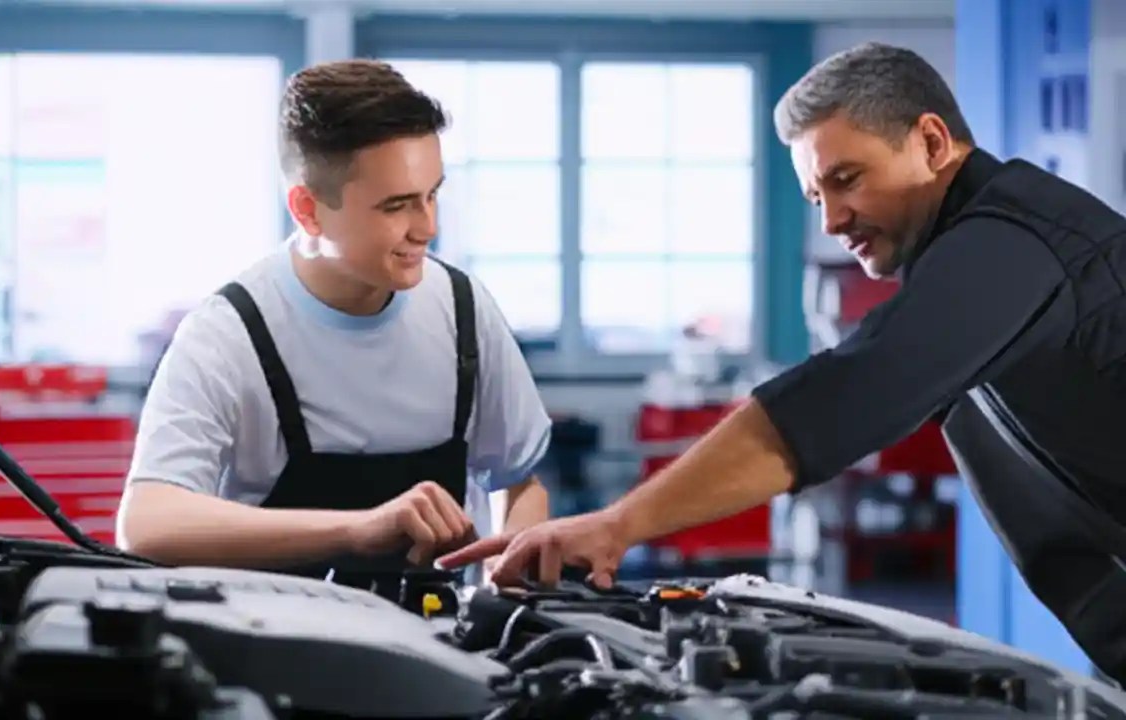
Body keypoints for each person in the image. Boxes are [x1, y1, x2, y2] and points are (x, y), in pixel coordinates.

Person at [439, 42, 1126, 680]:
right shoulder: (961, 283)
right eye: (816, 196)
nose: (831, 220)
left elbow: (844, 398)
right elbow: (1056, 545)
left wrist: (614, 526)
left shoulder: (1014, 243)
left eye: (847, 179)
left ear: (931, 142)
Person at [116, 59, 552, 579]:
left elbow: (518, 482)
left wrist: (507, 572)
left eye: (432, 194)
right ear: (308, 210)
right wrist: (357, 529)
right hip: (273, 626)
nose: (427, 227)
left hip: (439, 628)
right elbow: (147, 524)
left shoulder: (463, 309)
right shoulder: (229, 335)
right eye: (396, 206)